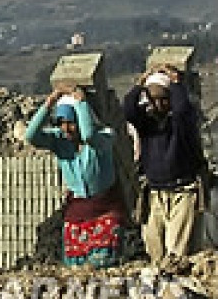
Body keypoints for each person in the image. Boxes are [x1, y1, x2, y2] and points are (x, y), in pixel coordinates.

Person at [23, 84, 123, 268]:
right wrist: (50, 102)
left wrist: (81, 102)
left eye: (71, 122)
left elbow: (89, 135)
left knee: (103, 265)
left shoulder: (105, 137)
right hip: (77, 215)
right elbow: (30, 136)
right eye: (61, 123)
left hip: (104, 213)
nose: (66, 128)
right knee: (76, 269)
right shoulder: (59, 141)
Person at [123, 68, 206, 268]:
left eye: (164, 99)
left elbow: (182, 110)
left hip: (182, 192)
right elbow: (128, 110)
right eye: (154, 99)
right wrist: (140, 84)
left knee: (176, 250)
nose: (159, 104)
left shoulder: (180, 124)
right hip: (155, 193)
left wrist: (176, 83)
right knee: (154, 248)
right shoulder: (147, 125)